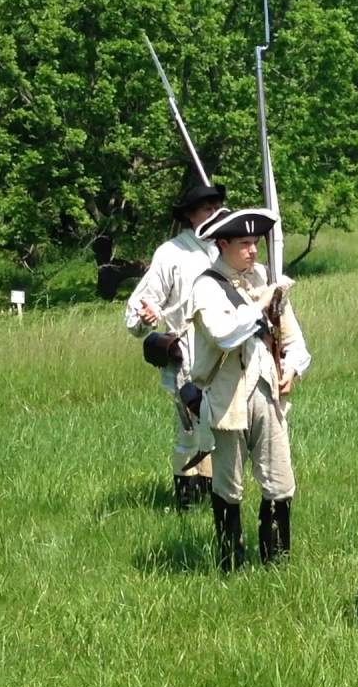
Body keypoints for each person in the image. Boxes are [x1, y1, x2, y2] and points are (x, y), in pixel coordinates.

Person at [189, 207, 310, 571]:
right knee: (228, 485)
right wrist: (260, 301)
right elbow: (225, 336)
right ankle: (231, 563)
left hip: (269, 392)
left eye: (255, 242)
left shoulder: (263, 279)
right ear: (222, 244)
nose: (253, 251)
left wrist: (292, 367)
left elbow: (294, 340)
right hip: (227, 397)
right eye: (244, 243)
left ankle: (276, 564)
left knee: (280, 481)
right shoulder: (207, 286)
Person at [124, 183, 226, 509]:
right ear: (190, 215)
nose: (213, 213)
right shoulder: (171, 253)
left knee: (220, 428)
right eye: (206, 208)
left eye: (216, 207)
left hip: (227, 353)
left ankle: (216, 500)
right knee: (190, 430)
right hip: (188, 356)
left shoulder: (228, 248)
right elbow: (138, 310)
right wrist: (147, 314)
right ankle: (187, 501)